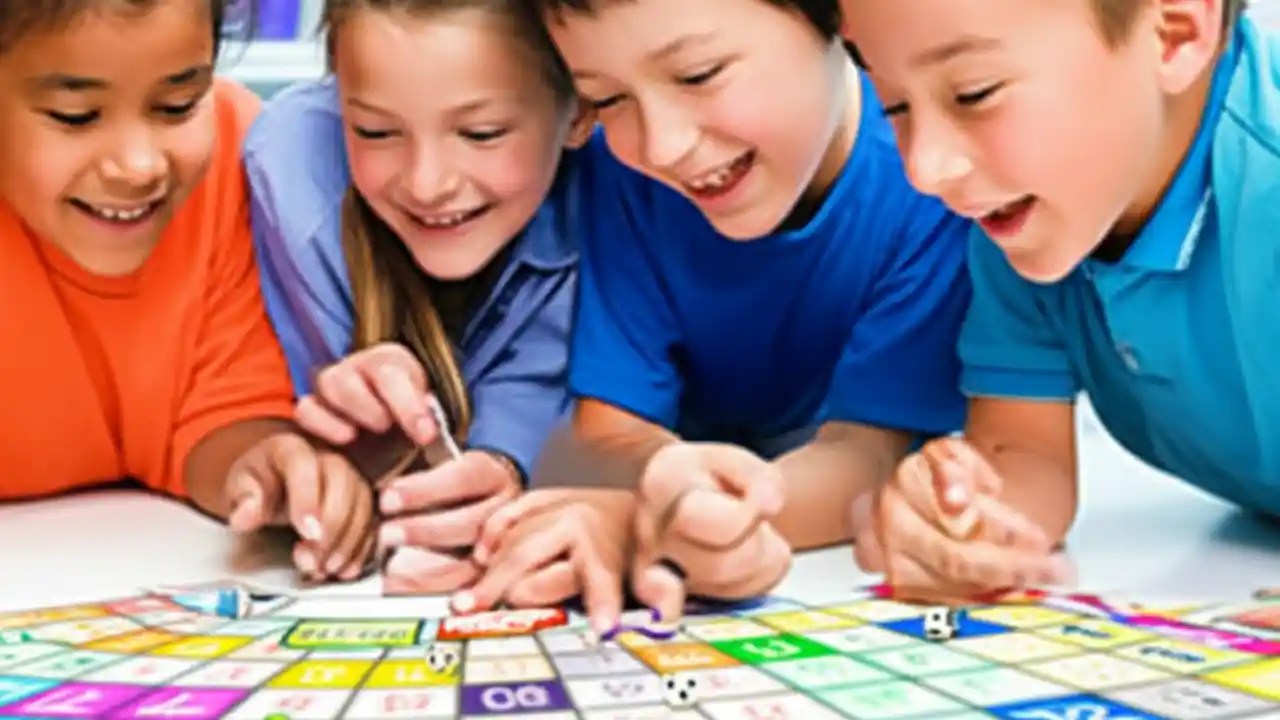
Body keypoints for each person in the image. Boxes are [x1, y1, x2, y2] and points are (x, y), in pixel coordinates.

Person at [461, 0, 973, 631]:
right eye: (608, 98)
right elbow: (606, 434)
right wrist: (662, 482)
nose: (665, 146)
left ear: (839, 16)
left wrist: (656, 524)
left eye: (699, 74)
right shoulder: (619, 175)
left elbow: (867, 456)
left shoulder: (930, 175)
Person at [841, 0, 1277, 601]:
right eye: (894, 105)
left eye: (974, 93)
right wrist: (966, 519)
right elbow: (1023, 453)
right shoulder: (1020, 223)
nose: (925, 168)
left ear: (1174, 33)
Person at [0, 0, 373, 580]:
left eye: (178, 105)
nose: (140, 165)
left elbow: (223, 414)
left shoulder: (244, 165)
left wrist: (270, 465)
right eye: (75, 115)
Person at [244, 0, 592, 593]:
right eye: (375, 131)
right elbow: (308, 420)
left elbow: (568, 405)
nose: (427, 183)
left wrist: (508, 466)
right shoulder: (294, 168)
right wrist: (341, 460)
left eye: (482, 133)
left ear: (580, 111)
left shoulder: (620, 190)